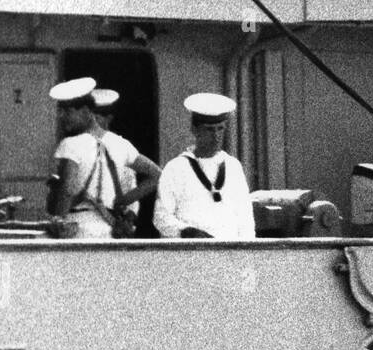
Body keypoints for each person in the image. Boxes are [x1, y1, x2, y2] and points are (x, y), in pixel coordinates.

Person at [154, 92, 255, 240]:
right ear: (195, 130)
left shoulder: (233, 166)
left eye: (220, 128)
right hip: (190, 252)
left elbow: (245, 218)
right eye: (209, 129)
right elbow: (161, 217)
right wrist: (187, 231)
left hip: (229, 252)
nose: (216, 136)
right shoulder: (175, 168)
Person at [91, 88, 161, 235]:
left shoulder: (120, 146)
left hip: (112, 221)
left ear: (108, 118)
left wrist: (124, 207)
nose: (94, 123)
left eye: (98, 117)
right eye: (91, 117)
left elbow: (132, 185)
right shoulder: (78, 145)